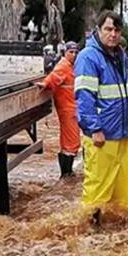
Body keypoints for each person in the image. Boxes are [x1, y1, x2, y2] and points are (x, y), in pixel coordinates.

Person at [75, 11, 128, 217]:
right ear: (98, 30)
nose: (113, 34)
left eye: (117, 30)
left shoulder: (121, 55)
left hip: (123, 133)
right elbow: (84, 98)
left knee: (121, 191)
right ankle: (91, 232)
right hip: (102, 135)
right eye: (108, 29)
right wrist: (94, 129)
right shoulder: (88, 57)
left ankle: (117, 236)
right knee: (97, 189)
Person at [36, 40, 79, 178]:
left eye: (75, 52)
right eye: (71, 52)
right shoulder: (64, 65)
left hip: (71, 109)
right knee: (70, 141)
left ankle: (68, 173)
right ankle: (66, 173)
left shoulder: (71, 66)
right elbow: (53, 77)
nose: (74, 55)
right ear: (65, 53)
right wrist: (44, 84)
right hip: (67, 109)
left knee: (71, 141)